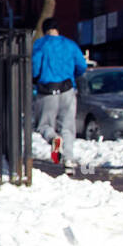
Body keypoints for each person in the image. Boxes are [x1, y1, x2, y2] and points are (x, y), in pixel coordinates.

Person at [33, 17, 88, 169]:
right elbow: (82, 65)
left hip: (47, 90)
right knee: (68, 126)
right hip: (68, 89)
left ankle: (53, 139)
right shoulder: (70, 44)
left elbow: (35, 67)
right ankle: (68, 159)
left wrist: (35, 78)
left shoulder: (40, 44)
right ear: (58, 29)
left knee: (44, 125)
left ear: (44, 31)